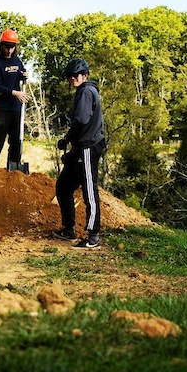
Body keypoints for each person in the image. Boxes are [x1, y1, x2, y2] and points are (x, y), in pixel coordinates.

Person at [52, 57, 106, 248]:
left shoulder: (85, 92)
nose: (73, 78)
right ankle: (69, 230)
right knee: (64, 187)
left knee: (89, 190)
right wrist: (69, 143)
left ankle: (93, 237)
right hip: (81, 147)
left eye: (76, 75)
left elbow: (81, 121)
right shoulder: (86, 91)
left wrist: (68, 139)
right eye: (70, 76)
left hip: (88, 147)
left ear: (85, 75)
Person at [0, 29, 29, 171]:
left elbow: (19, 77)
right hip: (1, 109)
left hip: (16, 108)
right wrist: (13, 92)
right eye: (7, 46)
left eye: (12, 46)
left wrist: (25, 76)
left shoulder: (18, 62)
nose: (9, 50)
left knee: (16, 141)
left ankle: (13, 170)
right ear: (1, 45)